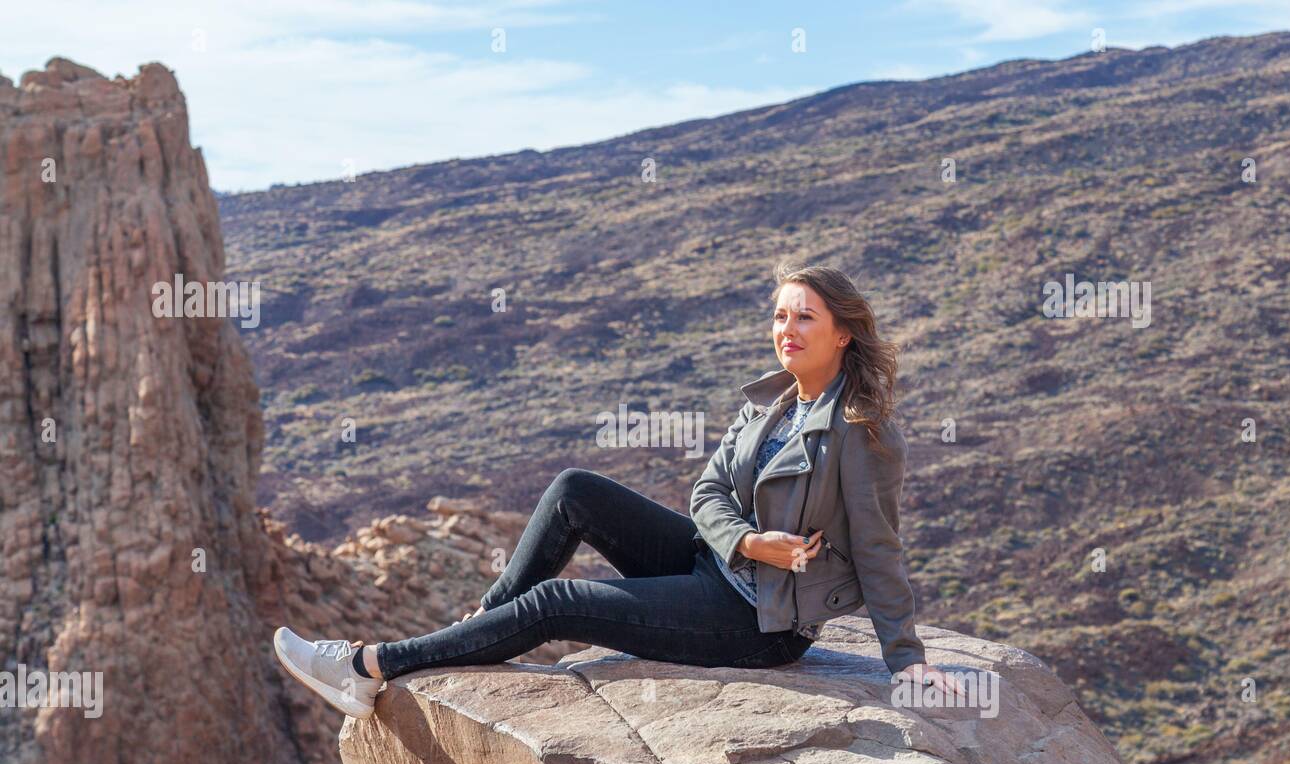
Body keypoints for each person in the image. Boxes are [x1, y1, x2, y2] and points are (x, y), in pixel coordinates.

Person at [274, 261, 961, 719]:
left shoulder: (860, 433)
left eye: (805, 318)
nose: (787, 331)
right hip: (718, 564)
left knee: (559, 602)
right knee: (575, 489)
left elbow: (879, 549)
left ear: (843, 332)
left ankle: (366, 667)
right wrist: (747, 541)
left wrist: (907, 662)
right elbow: (708, 493)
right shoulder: (772, 404)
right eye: (780, 317)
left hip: (760, 621)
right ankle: (476, 628)